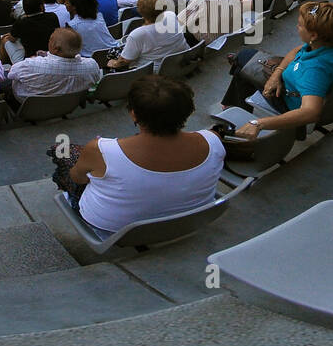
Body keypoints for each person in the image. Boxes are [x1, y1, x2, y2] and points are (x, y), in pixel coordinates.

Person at [58, 76, 224, 233]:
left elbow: (77, 178)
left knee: (66, 154)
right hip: (189, 221)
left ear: (134, 114)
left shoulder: (100, 150)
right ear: (189, 110)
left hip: (112, 230)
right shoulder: (213, 140)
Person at [219, 1, 333, 146]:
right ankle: (232, 104)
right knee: (246, 56)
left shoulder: (314, 71)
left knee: (242, 64)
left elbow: (311, 112)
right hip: (298, 81)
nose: (297, 27)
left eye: (300, 25)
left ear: (313, 35)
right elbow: (297, 51)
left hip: (289, 99)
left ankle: (234, 113)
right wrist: (276, 75)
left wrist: (259, 123)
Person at [7, 27, 105, 101]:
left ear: (56, 49)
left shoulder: (30, 65)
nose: (48, 41)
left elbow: (12, 73)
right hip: (70, 104)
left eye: (50, 39)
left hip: (32, 107)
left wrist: (35, 59)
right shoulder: (92, 66)